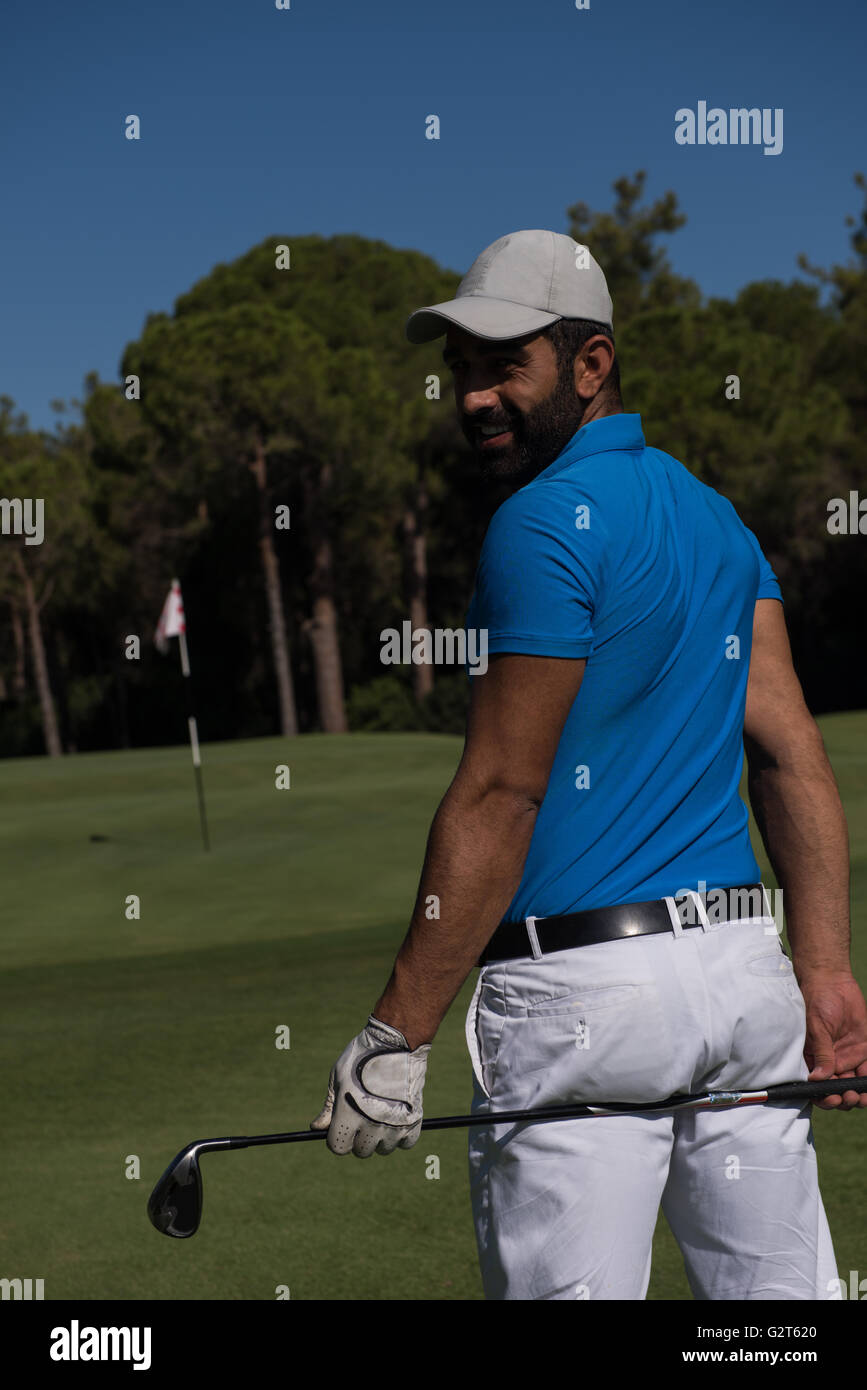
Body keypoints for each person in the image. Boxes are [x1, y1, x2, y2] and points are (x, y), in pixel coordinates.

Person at [311, 229, 867, 1300]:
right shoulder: (717, 518)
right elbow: (792, 751)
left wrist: (397, 1032)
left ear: (591, 364)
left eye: (503, 366)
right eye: (461, 372)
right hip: (745, 985)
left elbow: (503, 790)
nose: (474, 398)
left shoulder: (536, 527)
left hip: (585, 1008)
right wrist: (826, 971)